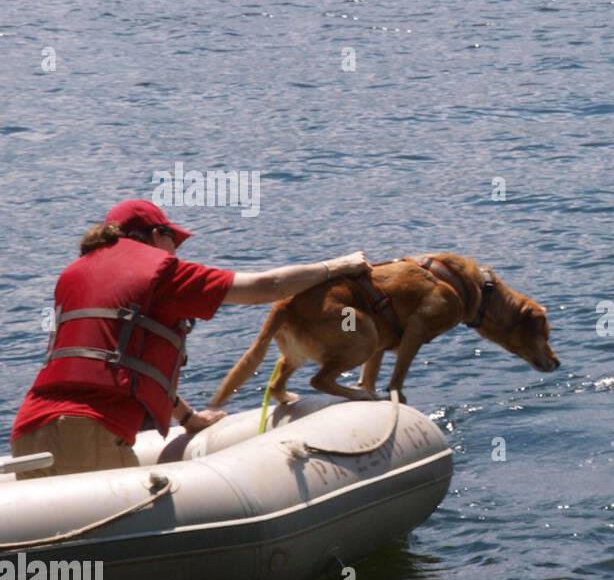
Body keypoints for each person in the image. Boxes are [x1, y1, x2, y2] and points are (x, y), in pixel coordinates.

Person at [8, 199, 370, 480]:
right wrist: (338, 266)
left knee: (66, 567)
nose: (176, 251)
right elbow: (266, 287)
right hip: (89, 433)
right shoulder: (160, 272)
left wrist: (188, 417)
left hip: (28, 430)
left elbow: (112, 360)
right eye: (173, 240)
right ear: (155, 235)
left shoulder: (74, 275)